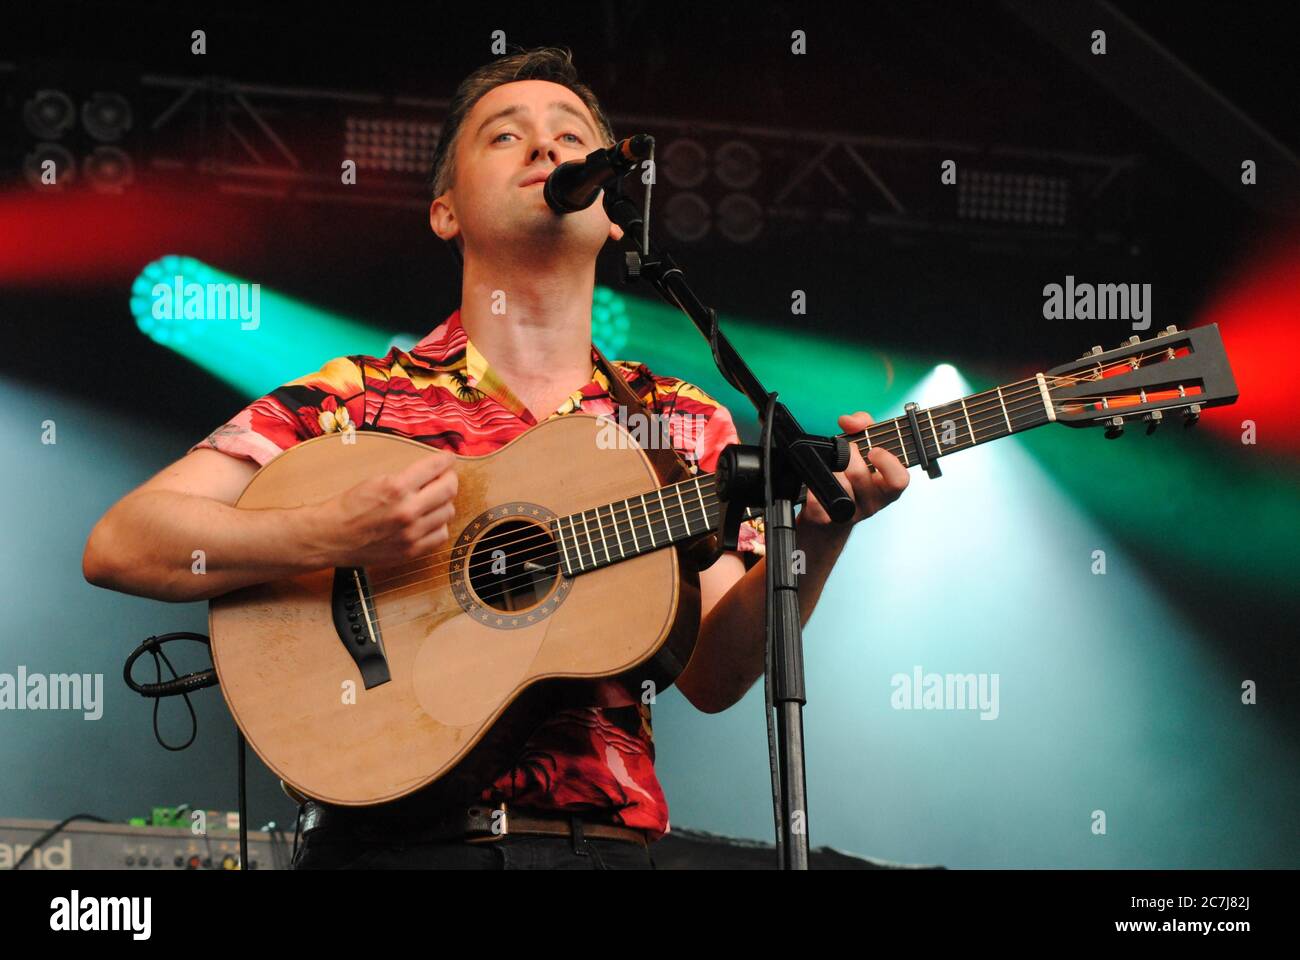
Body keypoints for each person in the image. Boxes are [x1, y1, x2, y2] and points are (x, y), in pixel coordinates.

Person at [82, 46, 909, 870]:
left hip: (603, 852)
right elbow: (124, 542)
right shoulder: (357, 396)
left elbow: (715, 674)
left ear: (614, 212)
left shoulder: (677, 420)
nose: (548, 149)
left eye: (570, 134)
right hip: (391, 851)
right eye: (506, 136)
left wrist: (822, 530)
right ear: (445, 210)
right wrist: (333, 532)